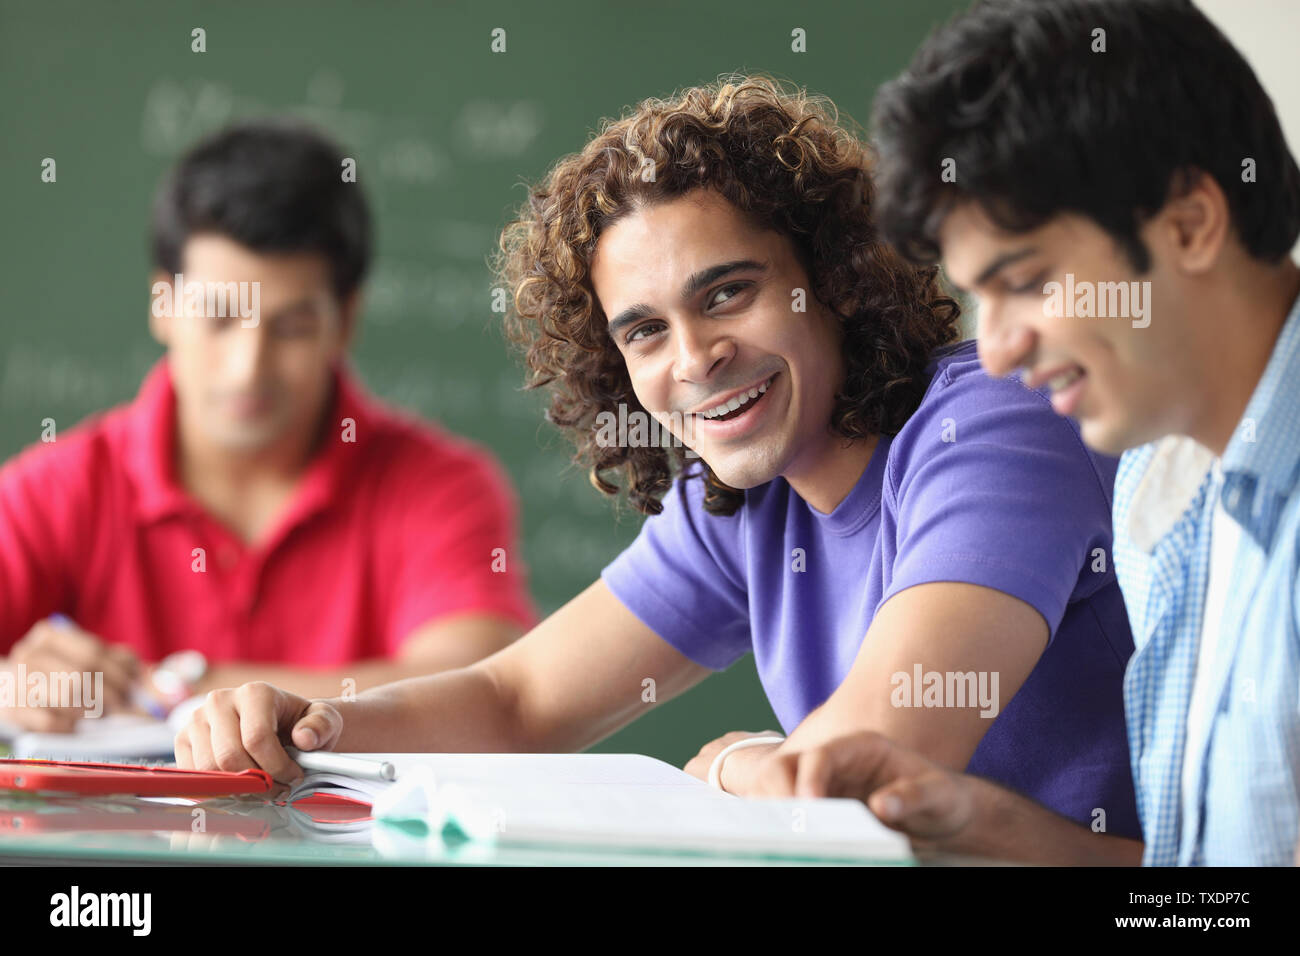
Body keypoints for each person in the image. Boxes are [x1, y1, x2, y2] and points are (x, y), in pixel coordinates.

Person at [174, 77, 1137, 842]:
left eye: (727, 295)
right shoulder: (743, 498)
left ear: (836, 281)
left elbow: (874, 762)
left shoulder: (993, 425)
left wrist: (732, 766)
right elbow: (514, 704)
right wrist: (313, 722)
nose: (693, 359)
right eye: (643, 332)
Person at [756, 0, 1300, 867]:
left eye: (1028, 282)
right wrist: (999, 834)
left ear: (1192, 223)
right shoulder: (1161, 486)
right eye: (980, 297)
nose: (1000, 351)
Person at [0, 120, 536, 731]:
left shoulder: (441, 486)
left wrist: (189, 686)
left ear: (347, 320)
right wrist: (11, 688)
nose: (248, 369)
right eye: (220, 319)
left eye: (291, 328)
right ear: (163, 307)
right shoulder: (56, 488)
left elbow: (478, 685)